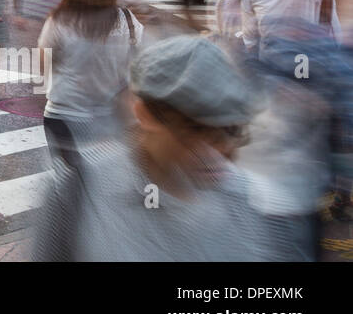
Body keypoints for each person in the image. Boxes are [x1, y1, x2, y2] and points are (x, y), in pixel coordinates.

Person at [33, 35, 294, 261]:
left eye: (228, 130)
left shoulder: (246, 199)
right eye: (194, 129)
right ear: (145, 114)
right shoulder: (77, 190)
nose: (215, 152)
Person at [37, 0, 142, 172]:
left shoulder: (59, 20)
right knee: (105, 184)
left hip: (64, 116)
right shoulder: (128, 20)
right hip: (110, 118)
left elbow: (44, 65)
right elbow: (139, 66)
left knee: (69, 184)